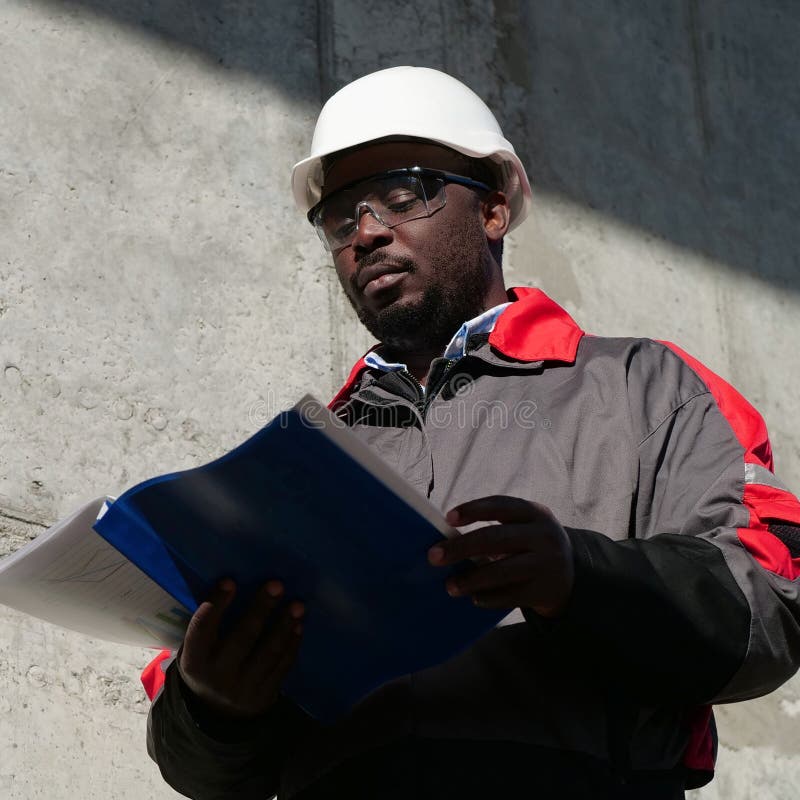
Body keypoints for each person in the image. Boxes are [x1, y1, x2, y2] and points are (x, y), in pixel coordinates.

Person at [143, 66, 800, 799]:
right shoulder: (299, 466)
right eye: (340, 217)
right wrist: (212, 707)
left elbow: (771, 600)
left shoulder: (647, 386)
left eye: (401, 195)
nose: (365, 233)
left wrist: (579, 579)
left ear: (492, 209)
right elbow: (202, 770)